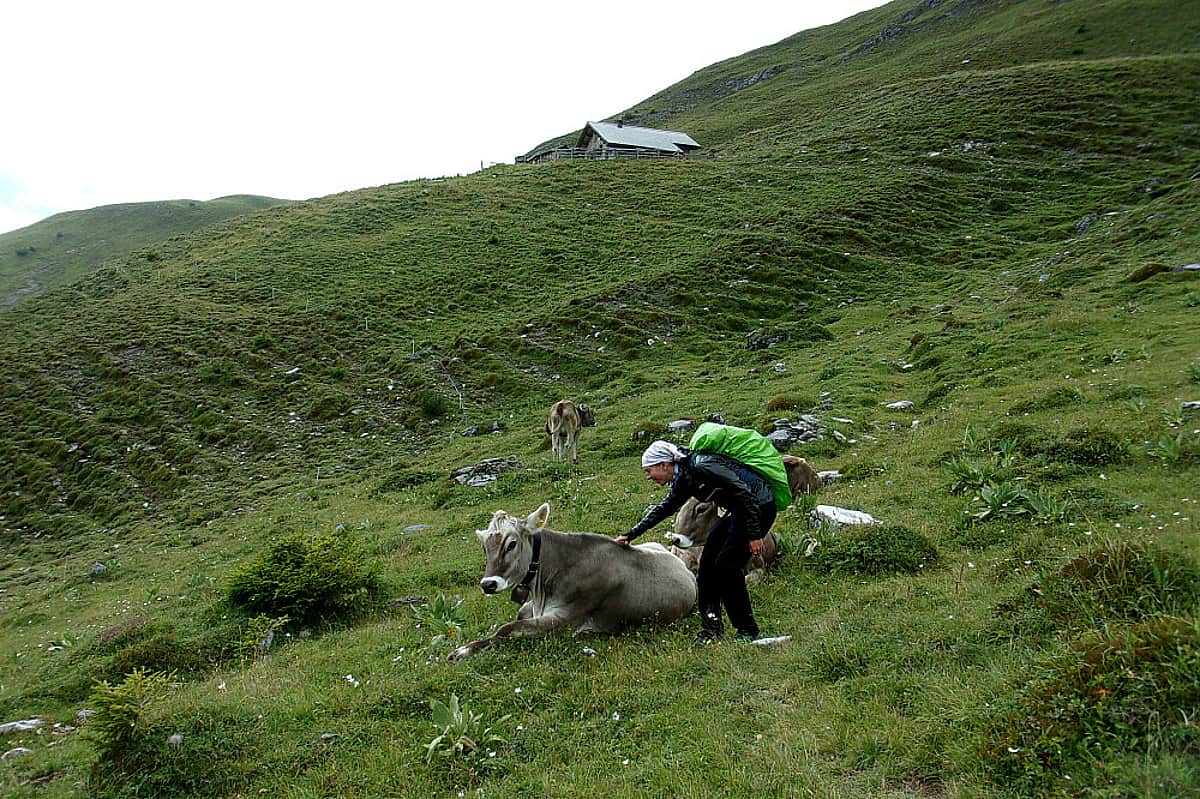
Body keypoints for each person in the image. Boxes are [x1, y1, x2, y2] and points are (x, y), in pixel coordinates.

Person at [615, 439, 776, 644]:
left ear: (664, 464)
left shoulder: (702, 465)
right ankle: (711, 628)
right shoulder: (684, 477)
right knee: (707, 564)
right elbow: (664, 508)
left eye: (649, 470)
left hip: (758, 507)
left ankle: (747, 630)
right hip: (738, 510)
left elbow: (744, 492)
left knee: (727, 567)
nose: (648, 477)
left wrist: (754, 535)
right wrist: (630, 534)